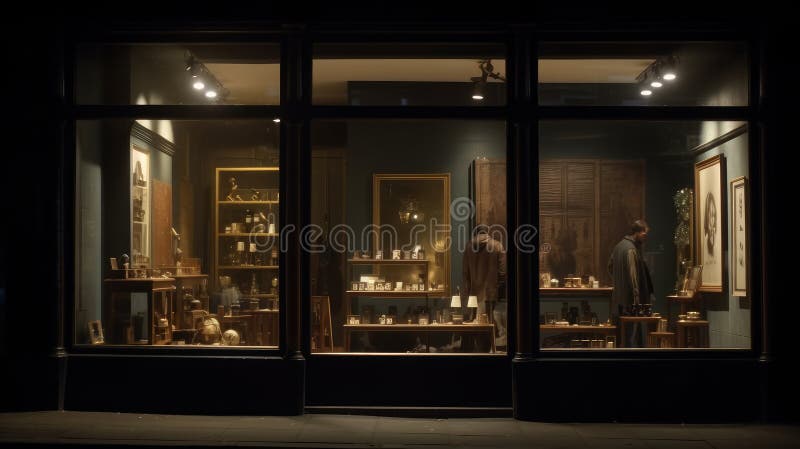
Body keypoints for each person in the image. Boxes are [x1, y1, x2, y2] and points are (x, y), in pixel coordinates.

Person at [607, 220, 655, 348]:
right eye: (644, 234)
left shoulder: (618, 246)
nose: (645, 237)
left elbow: (610, 266)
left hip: (618, 300)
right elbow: (633, 276)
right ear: (637, 233)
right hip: (630, 303)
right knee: (630, 339)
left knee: (620, 337)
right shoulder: (631, 250)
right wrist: (636, 298)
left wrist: (618, 281)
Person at [461, 224, 506, 351]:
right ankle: (488, 354)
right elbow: (503, 271)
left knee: (474, 326)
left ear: (475, 233)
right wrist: (497, 285)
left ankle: (477, 355)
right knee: (489, 324)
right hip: (491, 292)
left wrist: (467, 291)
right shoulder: (497, 245)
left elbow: (465, 272)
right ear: (487, 233)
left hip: (473, 294)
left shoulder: (469, 247)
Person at [704, 192, 717, 263]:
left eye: (714, 215)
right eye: (711, 215)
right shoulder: (705, 240)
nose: (713, 221)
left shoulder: (716, 240)